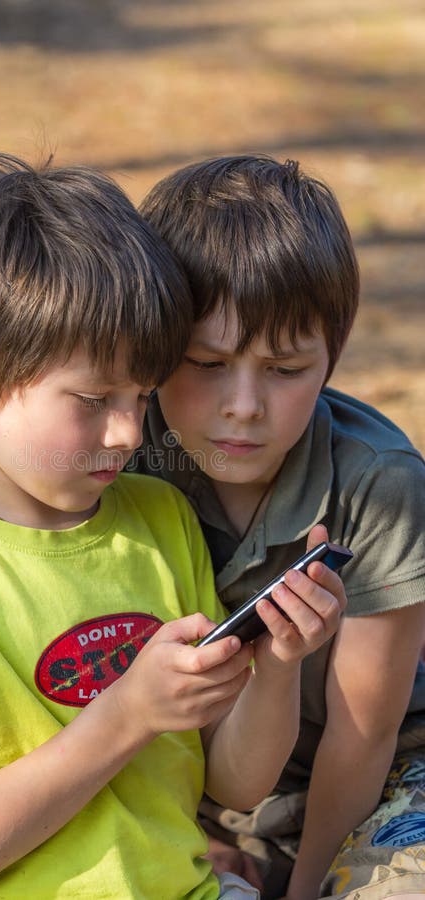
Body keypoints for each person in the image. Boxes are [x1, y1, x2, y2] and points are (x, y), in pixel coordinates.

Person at [0, 152, 346, 900]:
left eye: (140, 397)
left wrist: (274, 665)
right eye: (92, 398)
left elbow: (234, 783)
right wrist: (124, 718)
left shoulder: (158, 517)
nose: (126, 433)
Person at [132, 154, 425, 900]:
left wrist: (304, 888)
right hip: (197, 794)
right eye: (205, 362)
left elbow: (363, 738)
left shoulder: (378, 483)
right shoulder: (118, 464)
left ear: (333, 359)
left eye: (287, 369)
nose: (244, 406)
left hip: (385, 781)